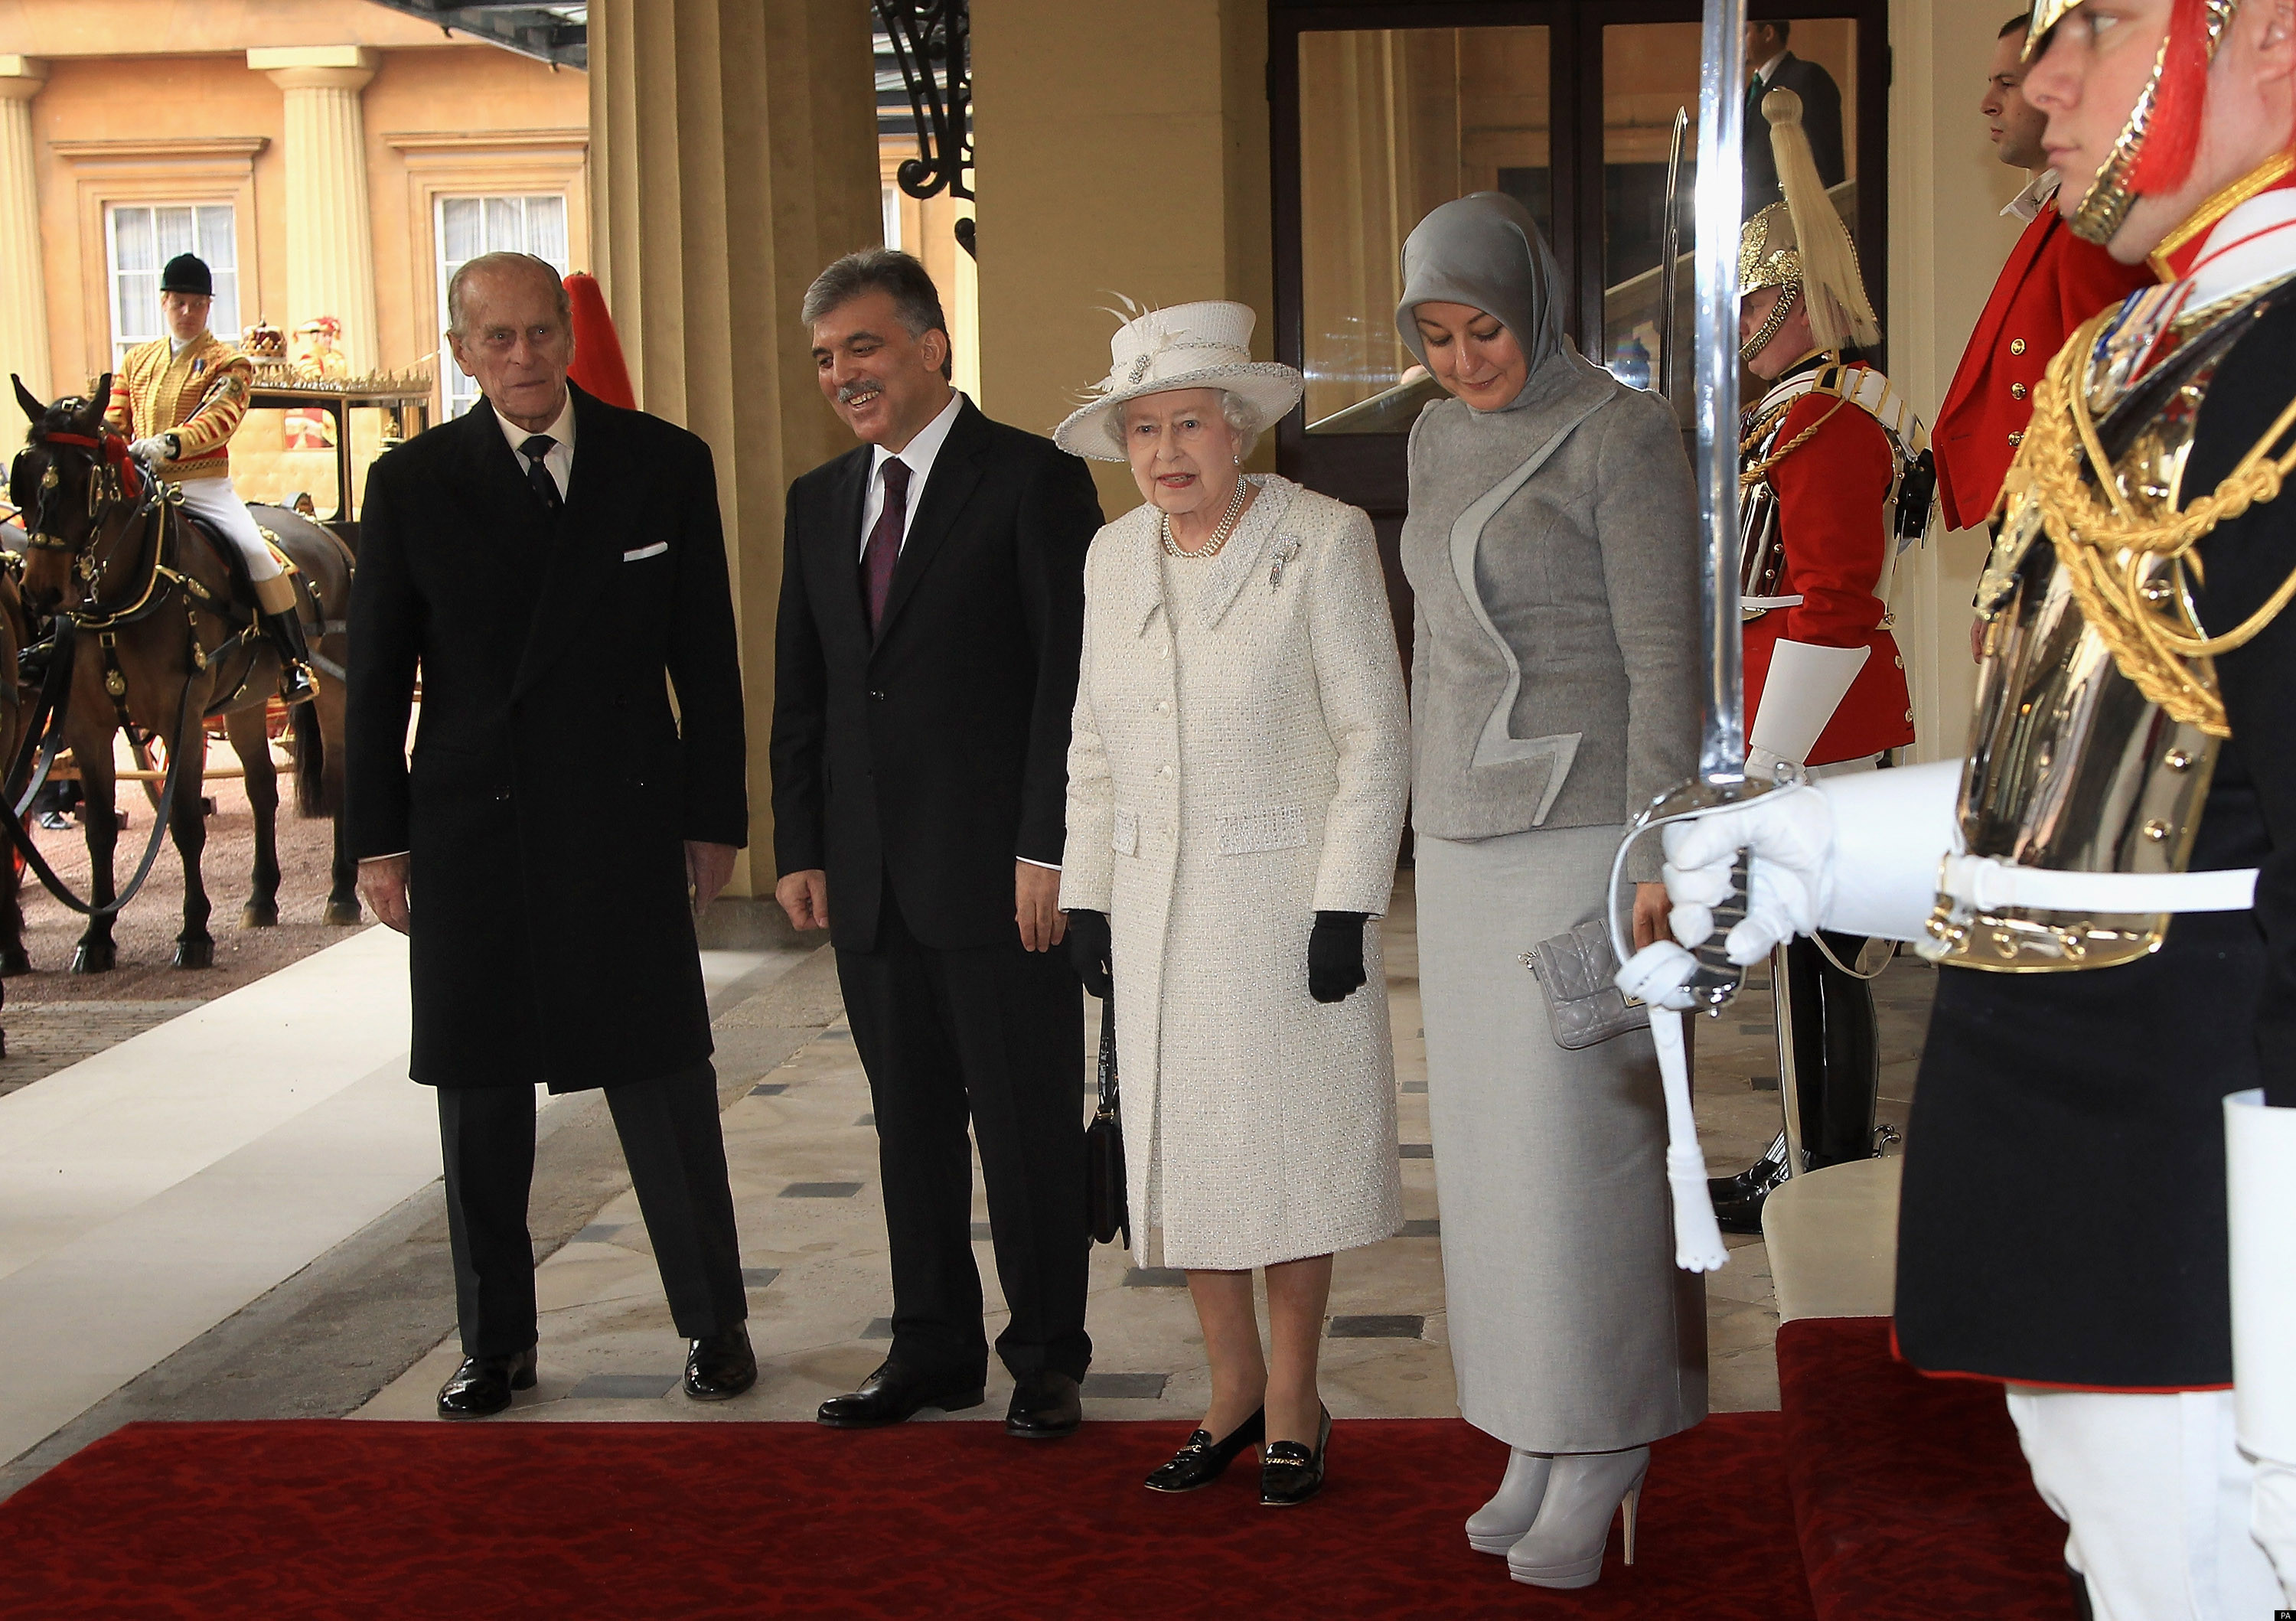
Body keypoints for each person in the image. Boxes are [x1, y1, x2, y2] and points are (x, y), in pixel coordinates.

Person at [1634, 0, 2296, 1610]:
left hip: (2224, 1164)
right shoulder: (2157, 340)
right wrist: (1796, 853)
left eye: (2101, 22)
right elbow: (2091, 808)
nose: (2041, 85)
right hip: (2106, 1140)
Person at [345, 250, 755, 1419]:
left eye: (539, 334)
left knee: (664, 1081)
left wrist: (712, 818)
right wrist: (380, 842)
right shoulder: (413, 481)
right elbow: (373, 681)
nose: (523, 358)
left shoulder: (663, 463)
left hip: (622, 824)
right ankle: (496, 1341)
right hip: (472, 829)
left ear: (565, 338)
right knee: (478, 1099)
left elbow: (706, 662)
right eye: (498, 340)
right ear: (462, 349)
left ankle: (715, 1322)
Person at [1396, 193, 1705, 1590]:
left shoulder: (1623, 434)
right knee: (1494, 1171)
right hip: (1459, 844)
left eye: (1486, 328)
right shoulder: (1432, 433)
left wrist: (1651, 855)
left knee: (1578, 1157)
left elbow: (1666, 662)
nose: (1465, 360)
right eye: (1437, 334)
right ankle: (1536, 1424)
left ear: (1541, 297)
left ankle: (1607, 1438)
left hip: (1583, 830)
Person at [1052, 302, 1410, 1508]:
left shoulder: (1324, 537)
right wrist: (1090, 894)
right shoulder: (1109, 558)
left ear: (1239, 427)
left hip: (1281, 906)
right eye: (1143, 429)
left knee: (1286, 1153)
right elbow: (1092, 742)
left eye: (1190, 423)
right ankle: (1233, 1388)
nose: (1166, 452)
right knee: (1187, 1160)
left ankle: (1300, 1395)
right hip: (1155, 911)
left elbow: (1374, 735)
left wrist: (1344, 902)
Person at [769, 249, 1104, 1440]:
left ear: (929, 345)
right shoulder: (818, 503)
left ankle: (1046, 1356)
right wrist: (800, 842)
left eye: (861, 346)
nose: (842, 375)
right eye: (823, 358)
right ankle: (931, 1352)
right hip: (868, 883)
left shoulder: (1032, 481)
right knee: (909, 1131)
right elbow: (804, 692)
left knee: (1023, 1132)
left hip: (1002, 878)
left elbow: (1073, 684)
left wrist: (1050, 848)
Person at [1704, 88, 1923, 1234]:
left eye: (1752, 298)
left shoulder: (1827, 421)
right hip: (1798, 721)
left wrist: (1772, 751)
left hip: (1822, 728)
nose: (1740, 318)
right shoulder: (1792, 414)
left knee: (1829, 961)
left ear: (1797, 301)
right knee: (1804, 960)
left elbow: (1835, 599)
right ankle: (1811, 1144)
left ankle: (1827, 1162)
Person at [1931, 12, 2151, 540]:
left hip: (2063, 531)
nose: (1988, 101)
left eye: (2008, 83)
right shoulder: (2060, 213)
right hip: (2032, 525)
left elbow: (2108, 411)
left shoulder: (2096, 220)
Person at [105, 253, 315, 703]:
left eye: (197, 304)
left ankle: (293, 662)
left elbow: (222, 417)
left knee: (257, 553)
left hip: (202, 488)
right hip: (144, 486)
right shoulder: (135, 361)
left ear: (208, 307)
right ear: (164, 302)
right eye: (179, 302)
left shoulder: (229, 362)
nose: (188, 312)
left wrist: (170, 444)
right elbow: (116, 419)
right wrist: (113, 445)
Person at [1742, 21, 1844, 215]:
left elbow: (1820, 159)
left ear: (1768, 33)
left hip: (1793, 218)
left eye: (1745, 32)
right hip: (1757, 220)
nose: (1737, 41)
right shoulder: (1750, 91)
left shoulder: (1807, 77)